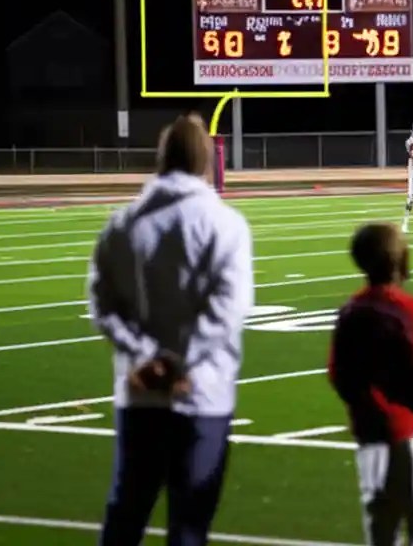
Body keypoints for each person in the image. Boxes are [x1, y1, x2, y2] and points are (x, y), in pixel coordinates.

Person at [88, 114, 254, 546]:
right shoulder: (226, 224)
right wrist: (180, 362)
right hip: (203, 393)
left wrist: (147, 358)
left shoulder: (122, 224)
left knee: (125, 518)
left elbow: (102, 305)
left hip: (141, 393)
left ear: (160, 158)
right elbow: (228, 310)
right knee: (189, 527)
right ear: (205, 160)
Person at [329, 223, 413, 546]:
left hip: (368, 432)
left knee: (380, 528)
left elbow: (339, 373)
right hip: (406, 433)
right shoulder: (409, 312)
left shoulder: (351, 311)